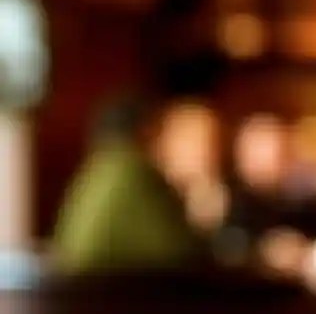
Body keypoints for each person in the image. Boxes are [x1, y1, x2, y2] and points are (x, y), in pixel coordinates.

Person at [51, 95, 205, 273]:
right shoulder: (134, 172)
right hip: (104, 295)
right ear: (148, 130)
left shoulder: (98, 169)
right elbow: (183, 255)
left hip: (79, 293)